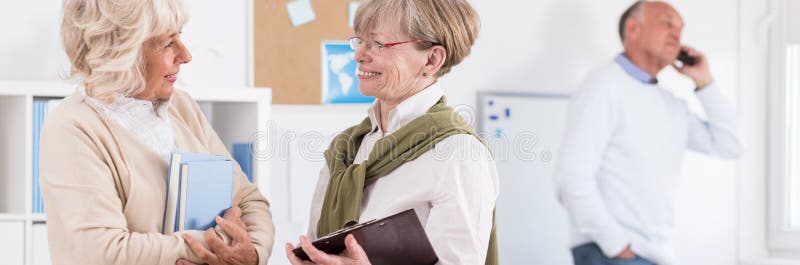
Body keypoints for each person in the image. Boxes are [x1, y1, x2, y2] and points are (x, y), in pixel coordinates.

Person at [40, 0, 275, 264]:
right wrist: (217, 242)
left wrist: (250, 253)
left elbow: (250, 201)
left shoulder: (183, 107)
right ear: (122, 52)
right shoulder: (73, 127)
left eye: (180, 36)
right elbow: (101, 252)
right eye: (167, 43)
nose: (185, 55)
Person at [284, 0, 499, 264]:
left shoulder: (459, 154)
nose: (358, 54)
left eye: (378, 44)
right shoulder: (346, 148)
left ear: (431, 59)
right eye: (359, 40)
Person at [555, 1, 742, 265]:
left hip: (652, 255)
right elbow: (571, 178)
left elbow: (730, 145)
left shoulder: (670, 103)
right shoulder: (603, 86)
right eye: (667, 23)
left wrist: (705, 81)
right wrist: (617, 246)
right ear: (633, 28)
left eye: (680, 29)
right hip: (612, 253)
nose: (676, 34)